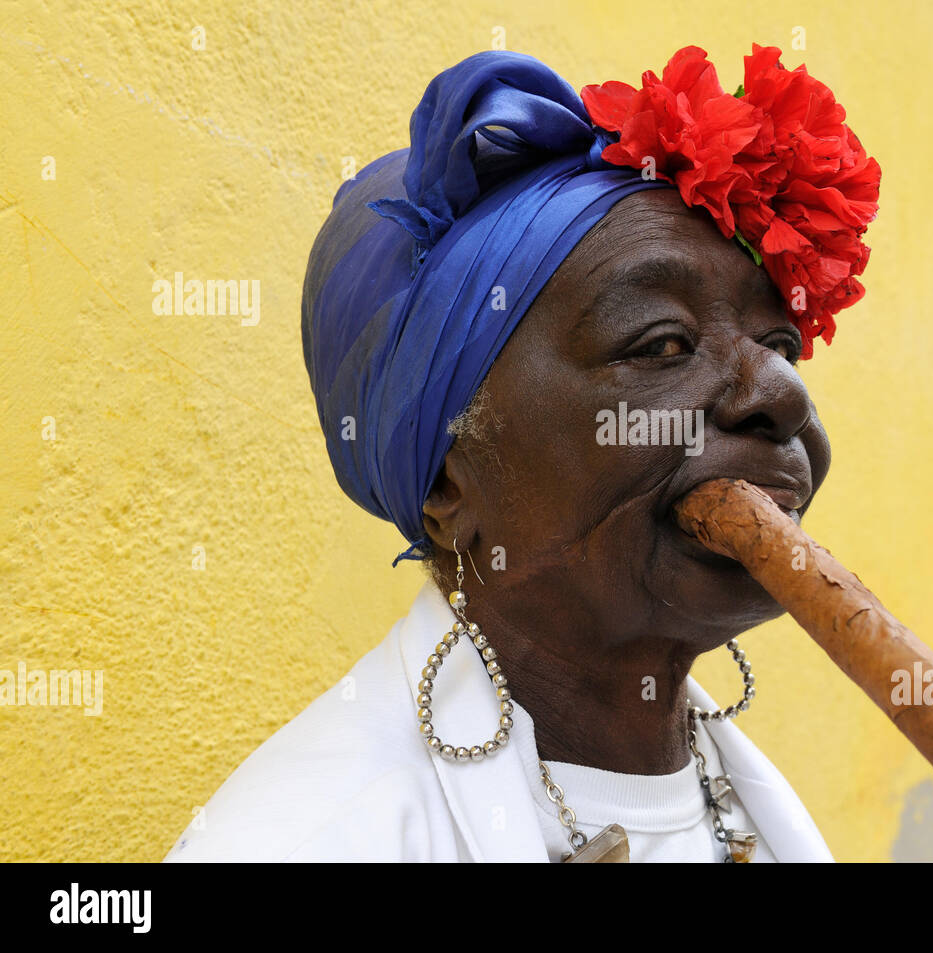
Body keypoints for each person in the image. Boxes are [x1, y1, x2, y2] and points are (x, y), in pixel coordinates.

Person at [164, 43, 880, 863]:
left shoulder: (750, 810)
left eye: (780, 343)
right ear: (447, 483)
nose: (782, 394)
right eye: (661, 343)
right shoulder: (304, 839)